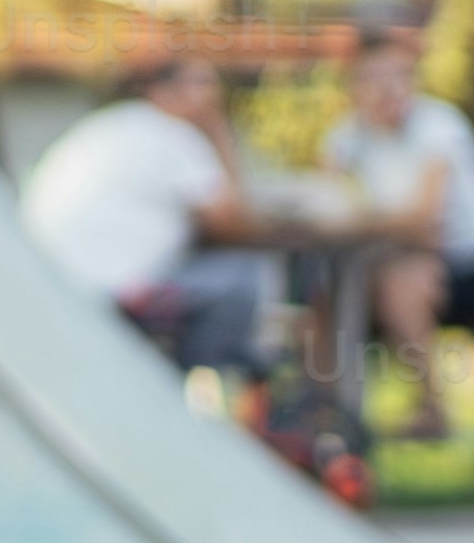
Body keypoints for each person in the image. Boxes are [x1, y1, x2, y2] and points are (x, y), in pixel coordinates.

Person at [19, 52, 299, 374]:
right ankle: (208, 380)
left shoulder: (115, 124)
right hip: (114, 291)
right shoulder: (174, 134)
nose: (211, 99)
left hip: (50, 279)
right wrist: (219, 134)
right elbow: (233, 225)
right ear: (160, 91)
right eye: (200, 85)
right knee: (246, 276)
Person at [319, 13, 465, 439]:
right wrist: (383, 225)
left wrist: (366, 222)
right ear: (354, 86)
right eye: (377, 77)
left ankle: (433, 408)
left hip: (452, 260)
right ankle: (329, 417)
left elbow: (425, 221)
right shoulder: (345, 137)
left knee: (400, 281)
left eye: (401, 75)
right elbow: (331, 205)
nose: (390, 89)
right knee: (317, 292)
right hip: (376, 259)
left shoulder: (438, 124)